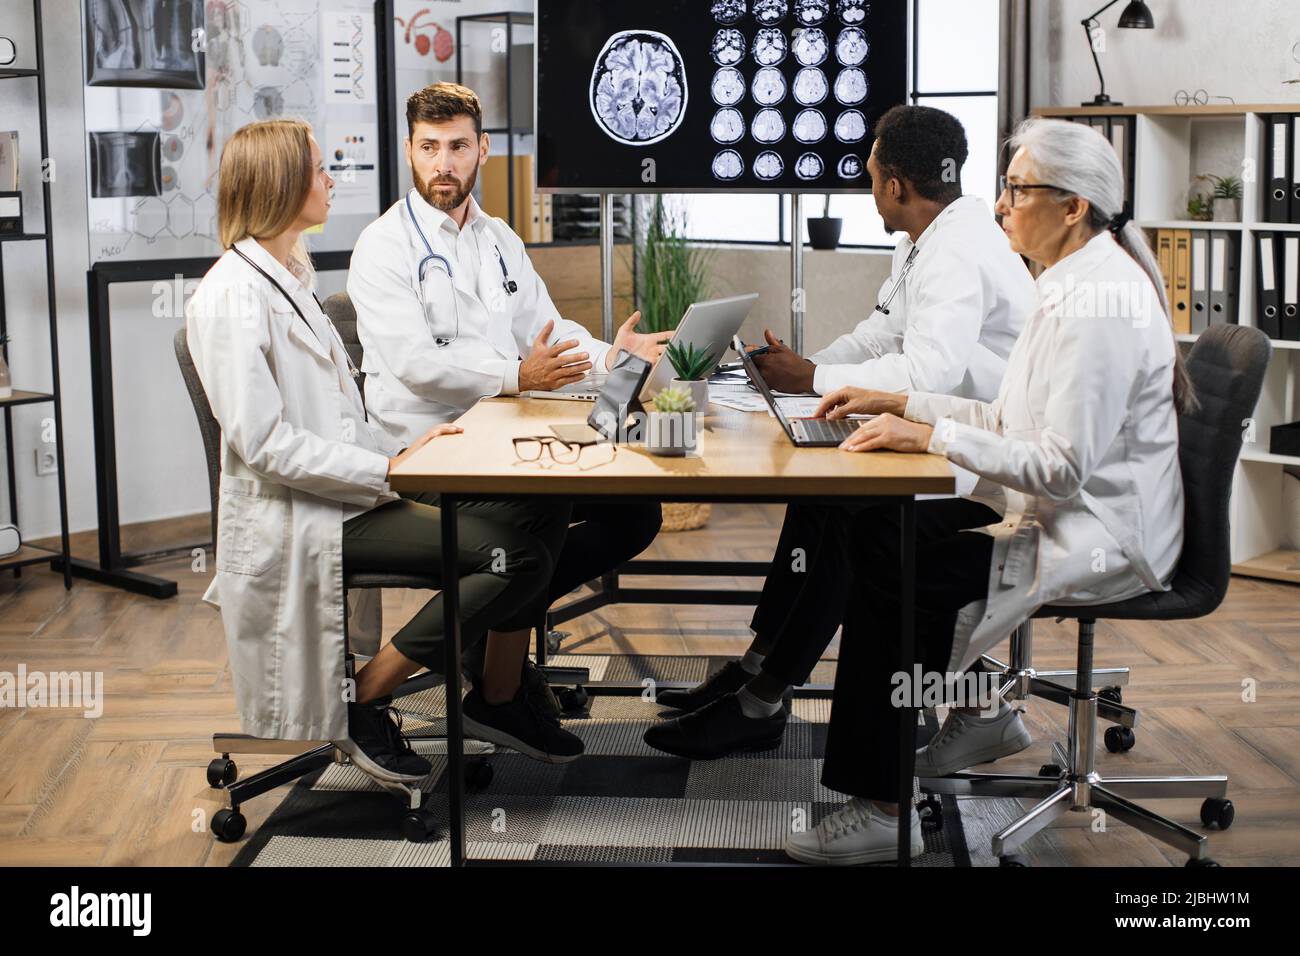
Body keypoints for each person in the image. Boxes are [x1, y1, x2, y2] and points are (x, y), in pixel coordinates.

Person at [783, 117, 1192, 864]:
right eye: (1004, 187)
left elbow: (1061, 466)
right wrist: (905, 406)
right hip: (1060, 512)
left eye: (1017, 189)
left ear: (1071, 207)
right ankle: (977, 708)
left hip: (1102, 537)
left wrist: (933, 436)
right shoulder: (1066, 281)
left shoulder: (1099, 306)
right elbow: (1010, 416)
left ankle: (883, 805)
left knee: (896, 568)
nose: (999, 203)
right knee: (879, 535)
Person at [187, 119, 585, 784]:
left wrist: (403, 451)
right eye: (318, 170)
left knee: (539, 500)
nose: (330, 180)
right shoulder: (230, 297)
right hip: (306, 513)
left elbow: (338, 414)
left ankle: (499, 695)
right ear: (282, 184)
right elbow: (265, 446)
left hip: (355, 482)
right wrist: (387, 468)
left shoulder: (290, 272)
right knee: (512, 556)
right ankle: (367, 695)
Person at [645, 105, 1036, 759]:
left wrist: (817, 374)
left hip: (978, 456)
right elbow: (883, 331)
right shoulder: (925, 238)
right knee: (820, 491)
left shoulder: (959, 250)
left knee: (851, 510)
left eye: (871, 174)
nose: (868, 186)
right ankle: (759, 667)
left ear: (894, 186)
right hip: (933, 434)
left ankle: (761, 697)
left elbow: (927, 369)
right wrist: (808, 374)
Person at [348, 83, 667, 644]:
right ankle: (496, 671)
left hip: (500, 436)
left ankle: (494, 629)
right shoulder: (383, 246)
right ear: (408, 150)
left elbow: (546, 331)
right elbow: (416, 364)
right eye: (428, 148)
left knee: (636, 513)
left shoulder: (498, 239)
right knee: (548, 502)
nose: (442, 165)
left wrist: (612, 357)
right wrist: (518, 376)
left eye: (457, 147)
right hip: (425, 449)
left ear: (483, 149)